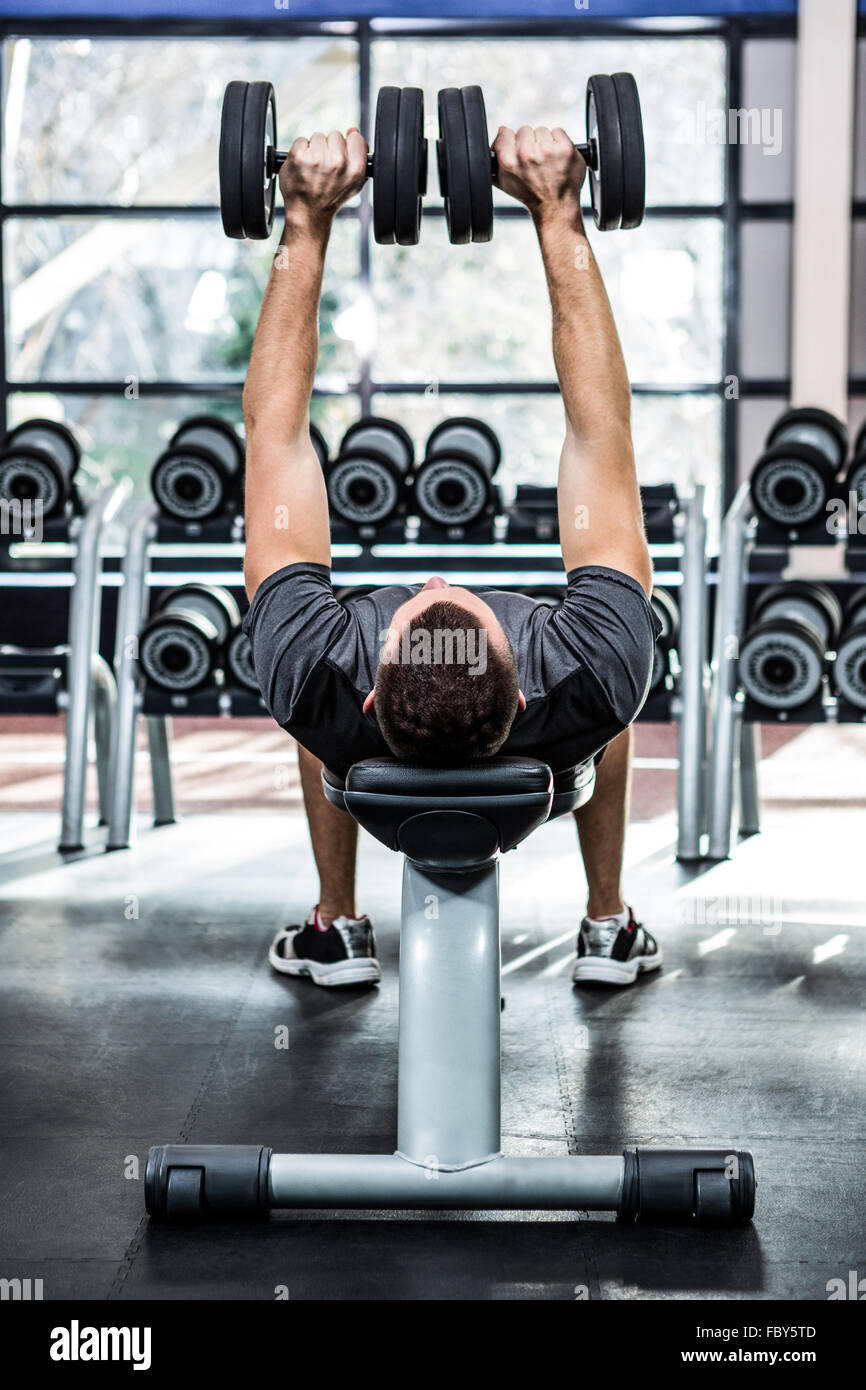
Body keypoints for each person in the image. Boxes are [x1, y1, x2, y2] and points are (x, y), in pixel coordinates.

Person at [241, 119, 662, 991]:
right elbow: (599, 431)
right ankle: (607, 920)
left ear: (369, 684)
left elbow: (274, 435)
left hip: (356, 738)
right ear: (519, 684)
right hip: (562, 734)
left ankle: (338, 926)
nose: (438, 580)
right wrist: (556, 212)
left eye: (419, 601)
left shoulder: (314, 670)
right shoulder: (589, 668)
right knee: (613, 712)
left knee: (308, 723)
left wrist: (307, 220)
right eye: (458, 598)